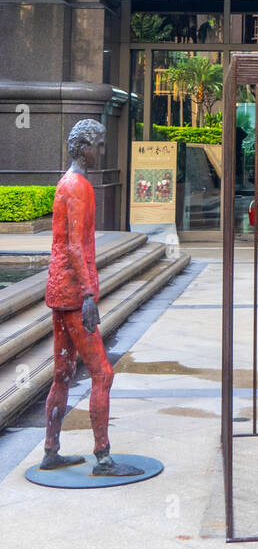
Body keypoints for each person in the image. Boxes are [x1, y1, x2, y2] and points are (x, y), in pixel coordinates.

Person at [41, 120, 143, 478]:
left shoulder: (65, 183)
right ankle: (103, 456)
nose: (101, 152)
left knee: (63, 374)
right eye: (98, 145)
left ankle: (51, 450)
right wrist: (88, 294)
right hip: (73, 293)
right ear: (82, 146)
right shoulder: (79, 186)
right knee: (102, 373)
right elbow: (74, 245)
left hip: (58, 291)